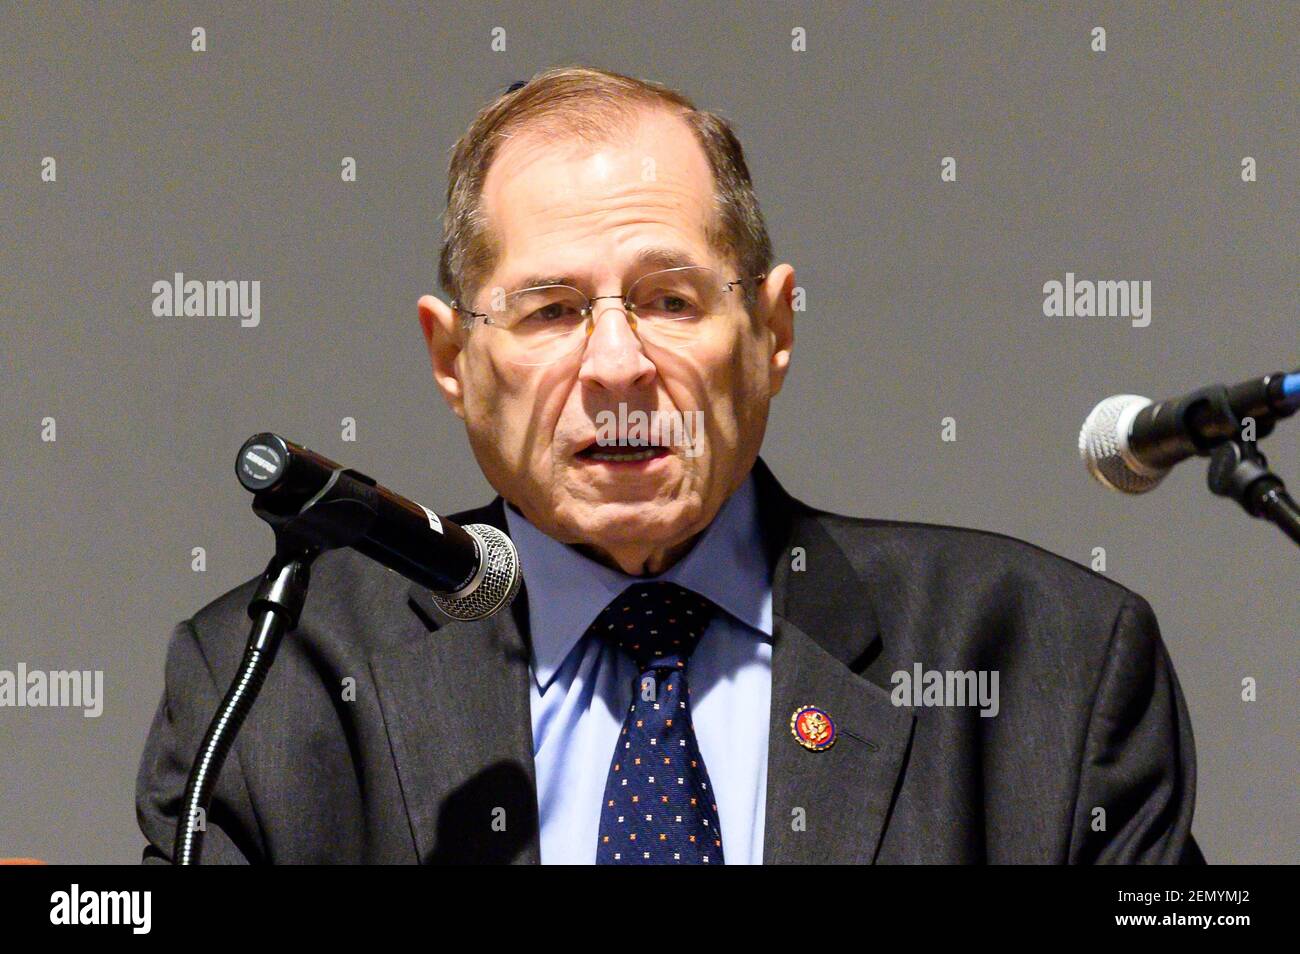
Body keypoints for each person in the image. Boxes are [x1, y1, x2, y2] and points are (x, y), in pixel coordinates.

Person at [137, 65, 1202, 864]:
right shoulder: (274, 680)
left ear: (773, 330)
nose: (615, 365)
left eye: (669, 301)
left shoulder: (1048, 660)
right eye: (551, 311)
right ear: (452, 357)